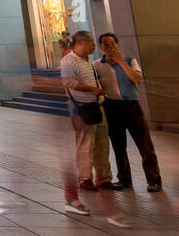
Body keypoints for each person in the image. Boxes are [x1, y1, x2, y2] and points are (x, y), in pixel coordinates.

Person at [61, 31, 129, 226]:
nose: (93, 46)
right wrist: (91, 89)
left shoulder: (87, 61)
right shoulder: (69, 60)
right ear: (81, 42)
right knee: (85, 146)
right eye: (91, 42)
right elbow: (69, 83)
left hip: (97, 107)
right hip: (81, 109)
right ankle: (85, 179)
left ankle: (104, 178)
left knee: (101, 144)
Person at [95, 33, 162, 193]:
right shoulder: (97, 65)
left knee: (145, 145)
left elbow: (137, 79)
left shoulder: (130, 60)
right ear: (100, 47)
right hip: (112, 107)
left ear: (118, 45)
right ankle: (124, 180)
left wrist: (121, 62)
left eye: (112, 44)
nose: (110, 47)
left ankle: (154, 181)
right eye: (106, 44)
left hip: (132, 107)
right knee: (118, 147)